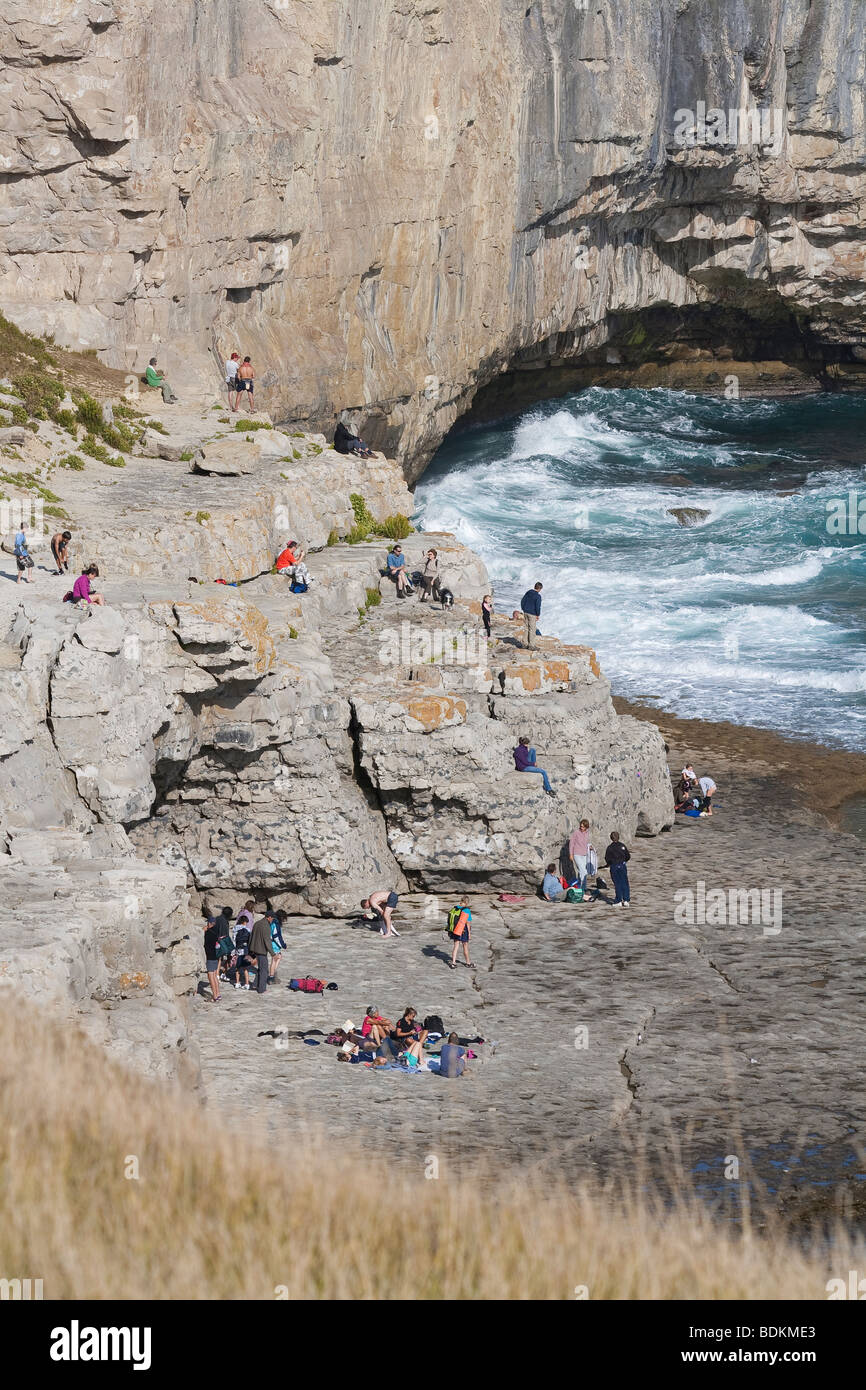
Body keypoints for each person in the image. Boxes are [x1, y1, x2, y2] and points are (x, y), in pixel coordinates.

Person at [249, 911, 277, 993]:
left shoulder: (257, 923)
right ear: (269, 917)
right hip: (261, 951)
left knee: (261, 969)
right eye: (272, 918)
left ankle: (255, 985)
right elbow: (267, 941)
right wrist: (273, 953)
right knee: (264, 970)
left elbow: (251, 936)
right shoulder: (266, 926)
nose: (273, 920)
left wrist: (250, 949)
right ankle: (261, 989)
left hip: (254, 949)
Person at [604, 831, 631, 908]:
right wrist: (624, 861)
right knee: (625, 882)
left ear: (611, 838)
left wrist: (609, 864)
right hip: (622, 865)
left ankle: (618, 900)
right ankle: (626, 900)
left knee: (617, 883)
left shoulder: (610, 848)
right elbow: (628, 856)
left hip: (614, 866)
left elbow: (607, 858)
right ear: (618, 837)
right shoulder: (622, 846)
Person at [448, 901, 474, 970]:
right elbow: (468, 923)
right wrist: (469, 934)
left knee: (456, 945)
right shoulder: (467, 910)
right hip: (463, 930)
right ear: (466, 903)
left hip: (456, 929)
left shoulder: (456, 908)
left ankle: (453, 963)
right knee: (465, 946)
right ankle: (468, 963)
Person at [203, 916, 222, 1003]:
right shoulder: (216, 932)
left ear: (209, 923)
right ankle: (218, 994)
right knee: (214, 976)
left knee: (211, 977)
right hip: (216, 957)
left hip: (210, 957)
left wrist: (203, 931)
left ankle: (215, 996)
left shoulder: (208, 933)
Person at [568, 819, 591, 889]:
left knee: (581, 871)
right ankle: (582, 887)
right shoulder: (576, 832)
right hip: (576, 854)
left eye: (583, 827)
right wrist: (571, 854)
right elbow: (571, 844)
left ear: (586, 827)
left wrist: (590, 847)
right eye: (581, 826)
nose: (582, 828)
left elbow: (586, 843)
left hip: (584, 854)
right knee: (583, 871)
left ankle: (581, 887)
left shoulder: (587, 833)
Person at [520, 582, 543, 648]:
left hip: (526, 612)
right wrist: (538, 614)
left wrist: (523, 608)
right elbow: (537, 606)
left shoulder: (528, 592)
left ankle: (524, 644)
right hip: (532, 614)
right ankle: (531, 645)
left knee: (526, 628)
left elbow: (522, 601)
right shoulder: (538, 596)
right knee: (532, 629)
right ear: (540, 589)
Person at [268, 910, 288, 982]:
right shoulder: (275, 923)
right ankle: (271, 977)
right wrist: (283, 945)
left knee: (279, 956)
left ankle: (273, 973)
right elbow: (276, 936)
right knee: (275, 959)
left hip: (272, 943)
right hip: (273, 944)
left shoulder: (273, 922)